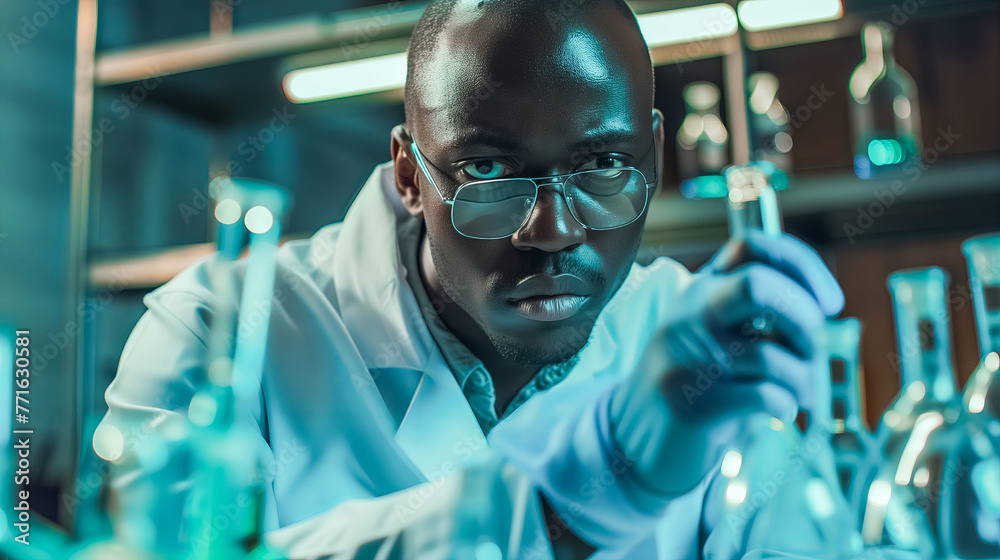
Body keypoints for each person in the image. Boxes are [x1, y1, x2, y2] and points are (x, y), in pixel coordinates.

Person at [95, 0, 853, 558]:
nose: (553, 230)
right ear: (408, 175)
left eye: (602, 164)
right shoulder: (216, 334)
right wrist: (588, 485)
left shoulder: (700, 346)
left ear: (653, 157)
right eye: (488, 170)